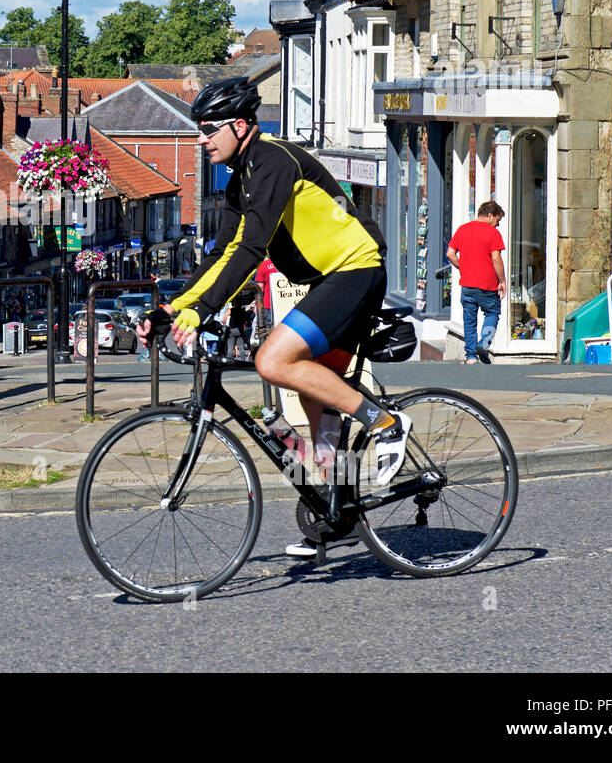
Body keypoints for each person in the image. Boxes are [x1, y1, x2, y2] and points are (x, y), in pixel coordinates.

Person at [135, 76, 412, 559]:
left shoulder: (274, 161)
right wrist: (173, 308)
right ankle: (337, 509)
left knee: (273, 361)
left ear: (240, 126)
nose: (202, 140)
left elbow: (252, 247)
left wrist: (204, 309)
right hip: (328, 280)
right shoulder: (239, 175)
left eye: (208, 130)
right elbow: (220, 253)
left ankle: (385, 422)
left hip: (356, 270)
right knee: (313, 393)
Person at [446, 200, 507, 364]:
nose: (497, 225)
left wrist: (462, 267)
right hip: (488, 285)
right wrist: (502, 280)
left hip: (467, 284)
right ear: (490, 215)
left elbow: (450, 254)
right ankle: (484, 343)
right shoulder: (493, 233)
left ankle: (471, 356)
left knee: (469, 319)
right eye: (497, 220)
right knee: (492, 313)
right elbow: (496, 258)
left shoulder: (463, 229)